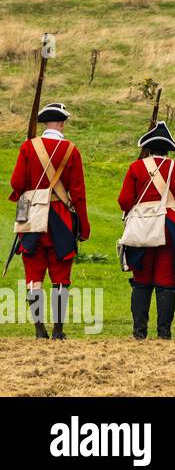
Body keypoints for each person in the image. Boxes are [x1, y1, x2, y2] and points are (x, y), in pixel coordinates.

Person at [9, 103, 90, 340]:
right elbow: (79, 193)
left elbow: (16, 183)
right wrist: (83, 226)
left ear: (45, 123)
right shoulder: (71, 150)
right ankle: (58, 330)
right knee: (61, 277)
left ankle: (39, 329)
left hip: (33, 219)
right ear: (62, 123)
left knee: (33, 276)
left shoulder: (29, 147)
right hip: (61, 222)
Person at [117, 122, 175, 340]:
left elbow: (124, 201)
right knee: (166, 281)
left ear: (148, 148)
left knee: (141, 280)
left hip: (142, 227)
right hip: (170, 228)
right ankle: (164, 334)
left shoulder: (136, 168)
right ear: (168, 149)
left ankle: (139, 333)